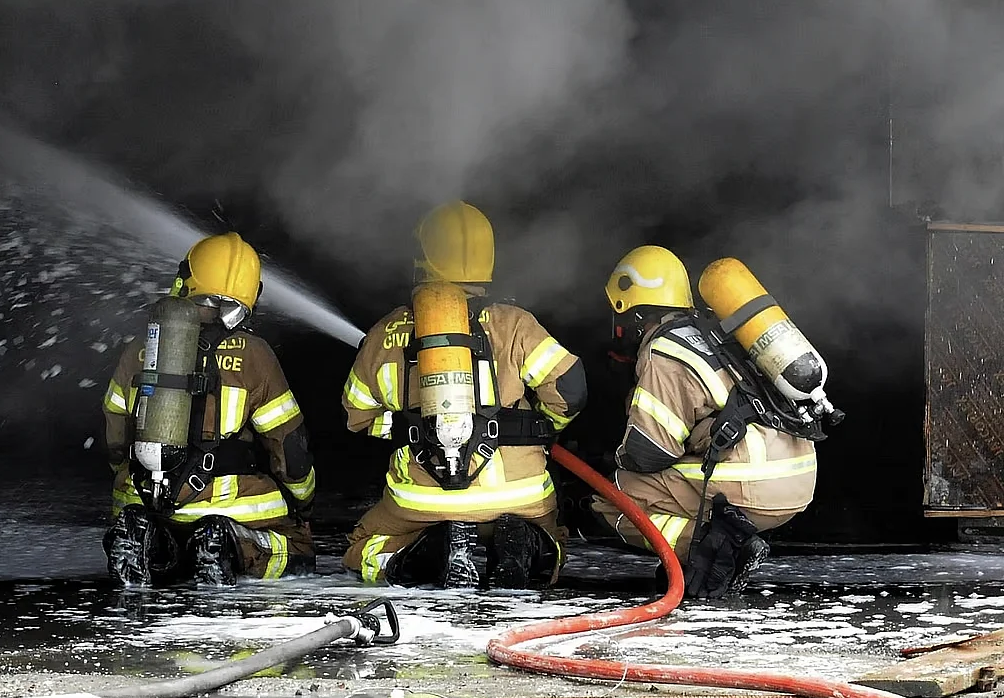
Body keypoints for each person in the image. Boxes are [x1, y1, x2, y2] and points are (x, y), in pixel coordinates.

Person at [342, 201, 587, 589]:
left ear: (423, 257)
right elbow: (570, 390)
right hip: (519, 496)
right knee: (552, 539)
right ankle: (522, 543)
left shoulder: (386, 332)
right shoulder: (513, 323)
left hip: (424, 502)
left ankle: (432, 548)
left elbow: (356, 415)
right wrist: (540, 429)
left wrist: (404, 428)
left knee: (364, 546)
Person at [591, 245, 817, 597]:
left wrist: (612, 459)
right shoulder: (713, 331)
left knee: (612, 495)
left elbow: (650, 452)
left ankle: (713, 551)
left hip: (757, 482)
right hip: (798, 478)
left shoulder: (665, 350)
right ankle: (715, 545)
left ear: (634, 315)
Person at [101, 232, 316, 587]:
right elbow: (289, 447)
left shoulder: (141, 348)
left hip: (143, 496)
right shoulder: (254, 355)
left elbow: (114, 435)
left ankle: (148, 537)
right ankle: (226, 541)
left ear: (186, 279)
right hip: (227, 503)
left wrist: (133, 476)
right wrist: (301, 502)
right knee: (297, 550)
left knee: (165, 544)